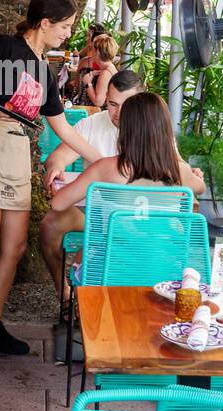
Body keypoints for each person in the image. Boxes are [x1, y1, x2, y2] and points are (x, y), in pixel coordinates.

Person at [0, 0, 104, 380]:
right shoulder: (7, 46)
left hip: (17, 152)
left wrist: (105, 162)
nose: (69, 33)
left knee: (14, 247)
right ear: (45, 22)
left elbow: (63, 128)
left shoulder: (45, 68)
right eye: (66, 26)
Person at [49, 90, 206, 289]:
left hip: (107, 272)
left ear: (126, 129)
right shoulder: (179, 171)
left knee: (85, 252)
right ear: (164, 129)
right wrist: (195, 175)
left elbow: (58, 203)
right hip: (163, 270)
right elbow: (200, 187)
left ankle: (82, 313)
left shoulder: (104, 168)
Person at [39, 69, 144, 310]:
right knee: (49, 225)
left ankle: (106, 299)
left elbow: (177, 166)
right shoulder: (94, 123)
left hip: (138, 211)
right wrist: (55, 167)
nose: (118, 114)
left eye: (126, 105)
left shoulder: (151, 127)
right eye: (113, 104)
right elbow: (58, 157)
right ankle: (65, 294)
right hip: (93, 211)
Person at [84, 34, 119, 107]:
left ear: (97, 52)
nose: (91, 52)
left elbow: (98, 102)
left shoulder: (106, 73)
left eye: (92, 49)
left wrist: (88, 83)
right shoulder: (109, 67)